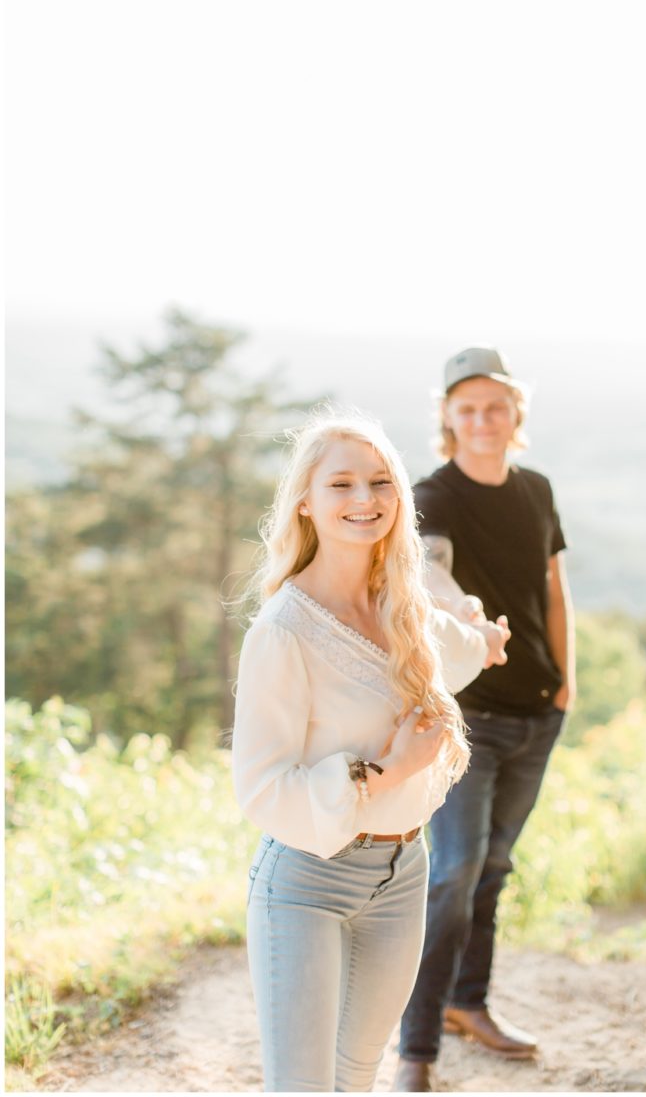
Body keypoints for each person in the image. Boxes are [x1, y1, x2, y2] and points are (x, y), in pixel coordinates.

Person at [232, 410, 510, 1092]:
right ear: (306, 500)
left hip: (403, 875)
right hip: (305, 883)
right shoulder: (284, 630)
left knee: (357, 1077)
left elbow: (461, 644)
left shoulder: (404, 607)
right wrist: (390, 769)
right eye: (342, 484)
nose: (364, 499)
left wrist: (489, 640)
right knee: (304, 1084)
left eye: (380, 482)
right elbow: (262, 787)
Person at [395, 347, 574, 1092]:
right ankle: (416, 1046)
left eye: (494, 406)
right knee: (455, 872)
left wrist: (567, 685)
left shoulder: (536, 489)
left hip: (539, 710)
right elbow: (430, 571)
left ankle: (472, 1004)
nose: (481, 420)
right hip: (469, 719)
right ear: (447, 416)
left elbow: (554, 590)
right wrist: (461, 605)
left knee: (494, 868)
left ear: (514, 413)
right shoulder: (433, 494)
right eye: (466, 407)